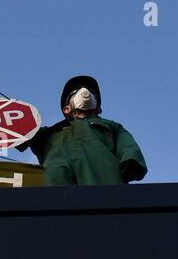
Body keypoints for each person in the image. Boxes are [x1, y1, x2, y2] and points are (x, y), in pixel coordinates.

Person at [17, 75, 147, 185]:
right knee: (57, 197)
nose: (84, 92)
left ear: (98, 107)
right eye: (75, 92)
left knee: (106, 198)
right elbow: (19, 133)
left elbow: (127, 146)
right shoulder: (48, 133)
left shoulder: (112, 126)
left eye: (92, 93)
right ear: (66, 109)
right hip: (58, 174)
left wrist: (131, 161)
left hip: (100, 170)